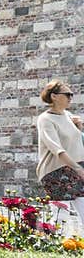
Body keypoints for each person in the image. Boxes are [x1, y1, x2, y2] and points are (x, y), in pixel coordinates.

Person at [37, 80, 84, 220]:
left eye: (72, 95)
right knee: (60, 216)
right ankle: (52, 240)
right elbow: (57, 149)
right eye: (67, 94)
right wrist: (78, 169)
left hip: (75, 167)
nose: (70, 98)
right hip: (56, 171)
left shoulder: (69, 116)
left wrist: (79, 127)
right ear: (54, 96)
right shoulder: (45, 119)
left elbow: (75, 142)